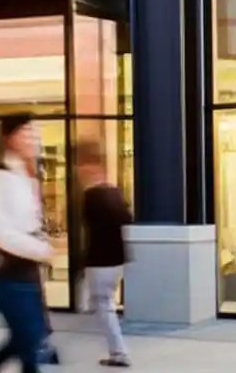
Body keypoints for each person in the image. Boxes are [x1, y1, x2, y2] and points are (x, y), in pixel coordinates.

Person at [0, 114, 54, 373]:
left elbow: (28, 221)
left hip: (27, 266)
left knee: (32, 333)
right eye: (26, 133)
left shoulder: (27, 174)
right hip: (6, 267)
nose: (33, 139)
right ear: (9, 138)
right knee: (29, 336)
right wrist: (36, 248)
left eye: (35, 133)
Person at [79, 141, 133, 368]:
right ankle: (117, 351)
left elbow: (89, 226)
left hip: (100, 260)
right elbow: (127, 219)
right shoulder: (115, 192)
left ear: (89, 167)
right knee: (103, 303)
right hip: (117, 259)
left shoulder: (91, 195)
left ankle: (119, 352)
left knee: (103, 305)